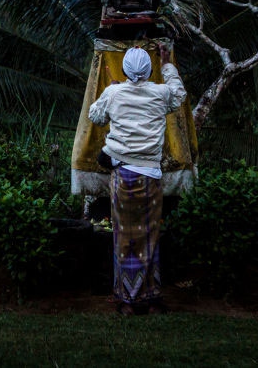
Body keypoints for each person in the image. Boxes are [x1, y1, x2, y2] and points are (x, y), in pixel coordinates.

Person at [88, 43, 187, 316]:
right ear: (149, 69)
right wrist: (167, 64)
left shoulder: (114, 92)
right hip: (150, 176)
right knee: (150, 235)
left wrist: (114, 88)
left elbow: (94, 116)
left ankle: (127, 300)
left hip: (122, 175)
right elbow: (179, 94)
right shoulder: (160, 93)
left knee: (123, 236)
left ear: (125, 70)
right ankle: (152, 298)